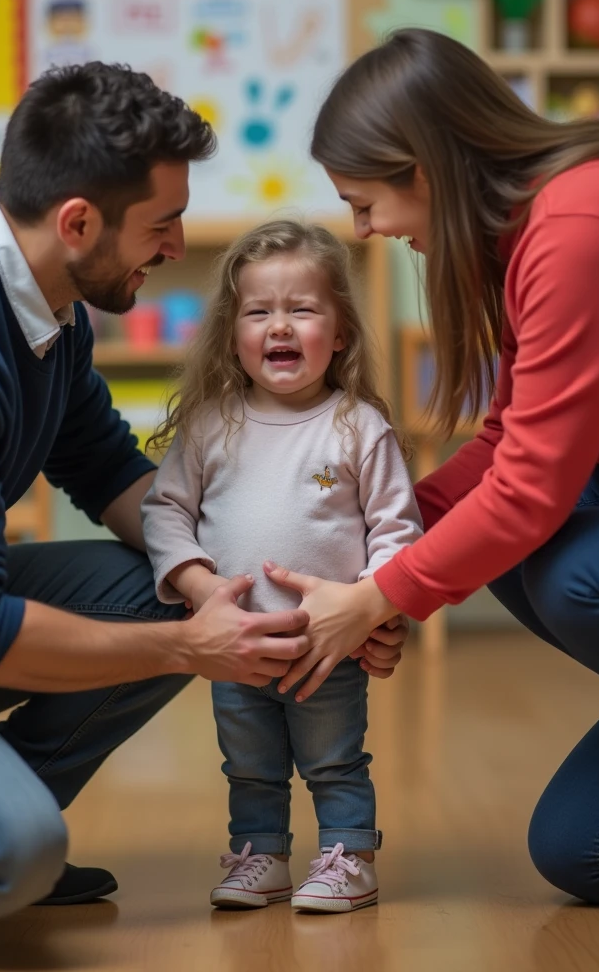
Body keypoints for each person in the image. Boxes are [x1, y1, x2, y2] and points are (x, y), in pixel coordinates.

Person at [0, 62, 331, 924]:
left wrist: (255, 582)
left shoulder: (43, 297)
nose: (177, 247)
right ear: (78, 222)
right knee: (8, 854)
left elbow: (107, 470)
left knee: (166, 588)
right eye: (161, 224)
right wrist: (189, 648)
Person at [255, 27, 599, 906]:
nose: (364, 230)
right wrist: (378, 546)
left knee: (569, 576)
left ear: (422, 171)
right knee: (580, 853)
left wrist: (379, 596)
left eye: (364, 204)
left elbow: (530, 489)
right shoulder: (523, 234)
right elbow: (508, 439)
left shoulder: (575, 225)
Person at [142, 219, 420, 913]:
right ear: (231, 333)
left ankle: (349, 858)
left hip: (328, 648)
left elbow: (397, 530)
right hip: (235, 645)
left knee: (335, 760)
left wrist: (374, 605)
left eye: (302, 309)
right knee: (249, 766)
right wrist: (200, 586)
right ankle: (260, 856)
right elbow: (164, 511)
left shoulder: (360, 427)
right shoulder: (210, 424)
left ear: (342, 331)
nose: (281, 326)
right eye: (259, 312)